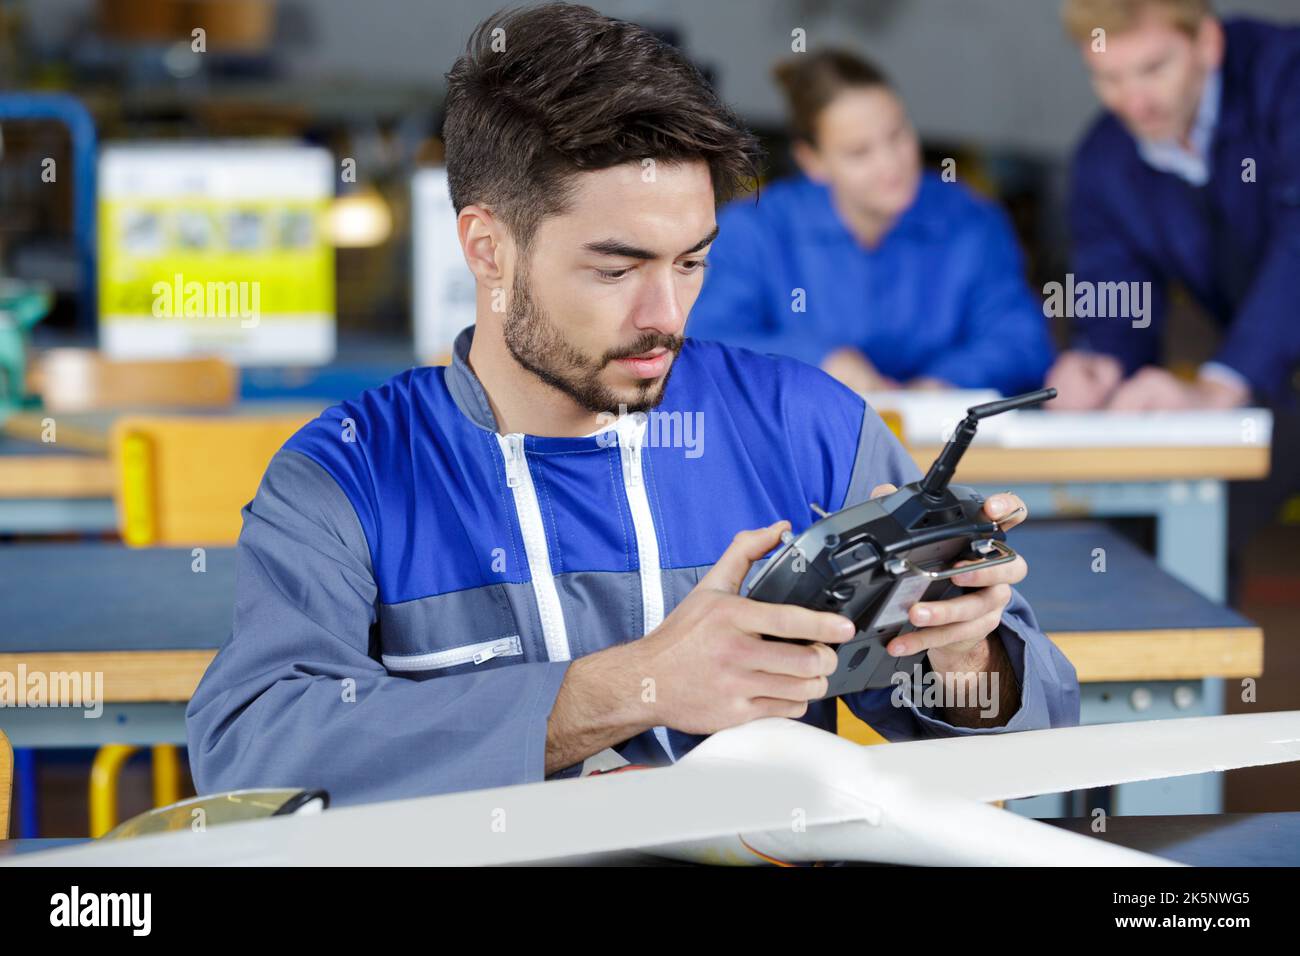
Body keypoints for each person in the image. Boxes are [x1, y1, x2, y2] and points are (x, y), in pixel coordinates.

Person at [186, 3, 1078, 807]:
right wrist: (629, 687)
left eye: (691, 262)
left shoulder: (813, 431)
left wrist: (966, 657)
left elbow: (1026, 728)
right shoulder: (346, 475)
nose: (666, 318)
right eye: (616, 269)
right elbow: (254, 752)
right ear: (487, 249)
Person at [688, 49, 1055, 396]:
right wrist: (817, 361)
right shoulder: (755, 230)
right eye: (859, 152)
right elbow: (704, 337)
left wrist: (944, 383)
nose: (890, 164)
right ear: (813, 161)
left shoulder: (972, 221)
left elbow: (1022, 341)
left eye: (897, 135)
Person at [1047, 0, 1300, 410]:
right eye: (1109, 78)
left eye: (1153, 69)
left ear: (1207, 42)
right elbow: (1118, 293)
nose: (1135, 104)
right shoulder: (1105, 159)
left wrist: (1225, 383)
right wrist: (1100, 365)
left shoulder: (1286, 78)